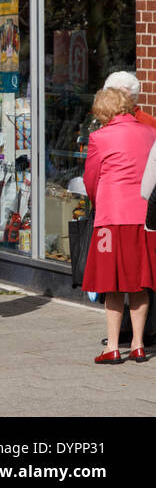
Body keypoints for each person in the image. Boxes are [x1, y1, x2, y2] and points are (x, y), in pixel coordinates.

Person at [85, 86, 156, 363]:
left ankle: (112, 347)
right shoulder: (150, 133)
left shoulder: (99, 137)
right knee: (140, 283)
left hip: (110, 220)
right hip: (143, 218)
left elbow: (91, 179)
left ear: (102, 111)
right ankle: (138, 344)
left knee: (111, 284)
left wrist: (96, 202)